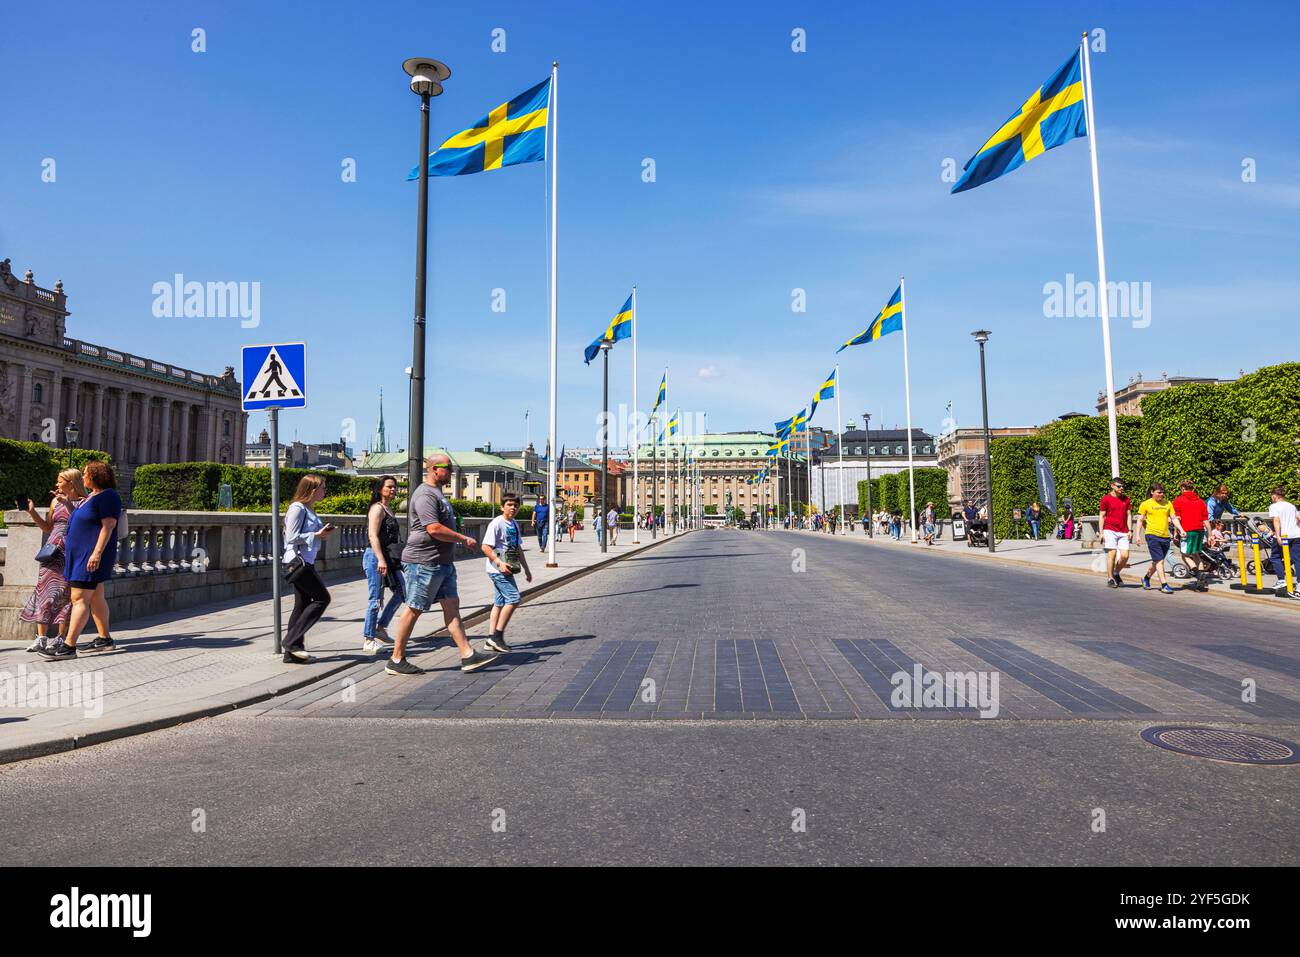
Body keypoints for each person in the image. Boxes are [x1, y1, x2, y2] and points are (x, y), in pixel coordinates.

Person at [388, 454, 499, 676]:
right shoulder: (425, 495)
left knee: (452, 607)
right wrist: (463, 538)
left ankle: (468, 655)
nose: (450, 471)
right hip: (424, 562)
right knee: (414, 608)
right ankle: (396, 659)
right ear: (434, 469)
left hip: (442, 562)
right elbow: (433, 529)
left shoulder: (438, 494)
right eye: (447, 468)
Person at [40, 460, 122, 659]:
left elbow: (108, 525)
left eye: (85, 473)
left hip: (89, 555)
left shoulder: (108, 496)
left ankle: (68, 646)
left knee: (79, 598)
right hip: (80, 554)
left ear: (95, 476)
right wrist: (67, 503)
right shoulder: (92, 496)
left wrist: (97, 553)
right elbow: (80, 519)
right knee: (95, 596)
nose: (83, 476)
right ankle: (105, 639)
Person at [19, 469, 85, 653]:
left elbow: (81, 524)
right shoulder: (55, 501)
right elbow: (48, 527)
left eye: (60, 481)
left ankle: (60, 637)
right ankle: (41, 638)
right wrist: (32, 512)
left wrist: (68, 503)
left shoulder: (84, 503)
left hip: (69, 551)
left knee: (65, 594)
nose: (57, 485)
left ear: (71, 483)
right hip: (51, 551)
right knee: (44, 591)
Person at [279, 474, 335, 664]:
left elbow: (309, 535)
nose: (324, 491)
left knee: (301, 605)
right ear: (311, 490)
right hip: (297, 563)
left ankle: (292, 652)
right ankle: (290, 642)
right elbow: (291, 537)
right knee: (322, 598)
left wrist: (320, 534)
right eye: (322, 488)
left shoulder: (309, 508)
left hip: (306, 562)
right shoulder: (297, 508)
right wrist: (316, 534)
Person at [481, 493, 533, 653]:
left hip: (509, 568)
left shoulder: (514, 524)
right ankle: (497, 636)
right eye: (509, 504)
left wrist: (527, 569)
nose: (513, 508)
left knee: (499, 603)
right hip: (498, 569)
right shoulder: (496, 523)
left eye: (516, 505)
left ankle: (490, 639)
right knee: (514, 598)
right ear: (502, 506)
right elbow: (485, 547)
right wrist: (498, 563)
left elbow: (518, 548)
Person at [361, 475, 403, 654]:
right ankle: (368, 639)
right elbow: (373, 536)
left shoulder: (389, 508)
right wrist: (380, 559)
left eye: (395, 487)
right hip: (376, 557)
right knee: (376, 598)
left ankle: (380, 627)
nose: (393, 490)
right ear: (380, 489)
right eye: (390, 487)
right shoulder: (377, 509)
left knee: (402, 592)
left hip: (388, 558)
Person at [1134, 483, 1182, 594]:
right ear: (1152, 492)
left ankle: (1146, 578)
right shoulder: (1145, 504)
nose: (1161, 494)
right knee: (1160, 561)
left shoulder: (1168, 503)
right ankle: (1164, 585)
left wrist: (1181, 529)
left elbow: (1174, 518)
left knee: (1156, 561)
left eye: (1163, 492)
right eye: (1159, 492)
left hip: (1165, 536)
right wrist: (1137, 535)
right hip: (1152, 535)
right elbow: (1140, 520)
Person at [1171, 479, 1211, 591]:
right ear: (1193, 489)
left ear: (1182, 488)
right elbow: (1206, 520)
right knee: (1196, 555)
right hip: (1199, 531)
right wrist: (1210, 534)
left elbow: (1177, 518)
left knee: (1185, 555)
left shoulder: (1178, 500)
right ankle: (1201, 582)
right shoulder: (1201, 501)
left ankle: (1198, 574)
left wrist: (1175, 532)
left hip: (1187, 531)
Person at [1098, 477, 1132, 588]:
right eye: (1119, 486)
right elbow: (1102, 516)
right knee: (1112, 554)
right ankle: (1110, 579)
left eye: (1122, 486)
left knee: (1125, 556)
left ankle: (1116, 573)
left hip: (1123, 531)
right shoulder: (1106, 499)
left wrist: (1130, 530)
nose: (1121, 488)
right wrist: (1101, 532)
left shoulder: (1126, 499)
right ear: (1112, 486)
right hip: (1109, 529)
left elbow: (1129, 515)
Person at [1267, 486, 1300, 599]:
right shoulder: (1291, 506)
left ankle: (1282, 580)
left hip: (1284, 535)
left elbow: (1276, 520)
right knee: (1297, 559)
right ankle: (1299, 585)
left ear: (1275, 496)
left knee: (1275, 557)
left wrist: (1278, 535)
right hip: (1296, 534)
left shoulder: (1274, 506)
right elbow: (1298, 519)